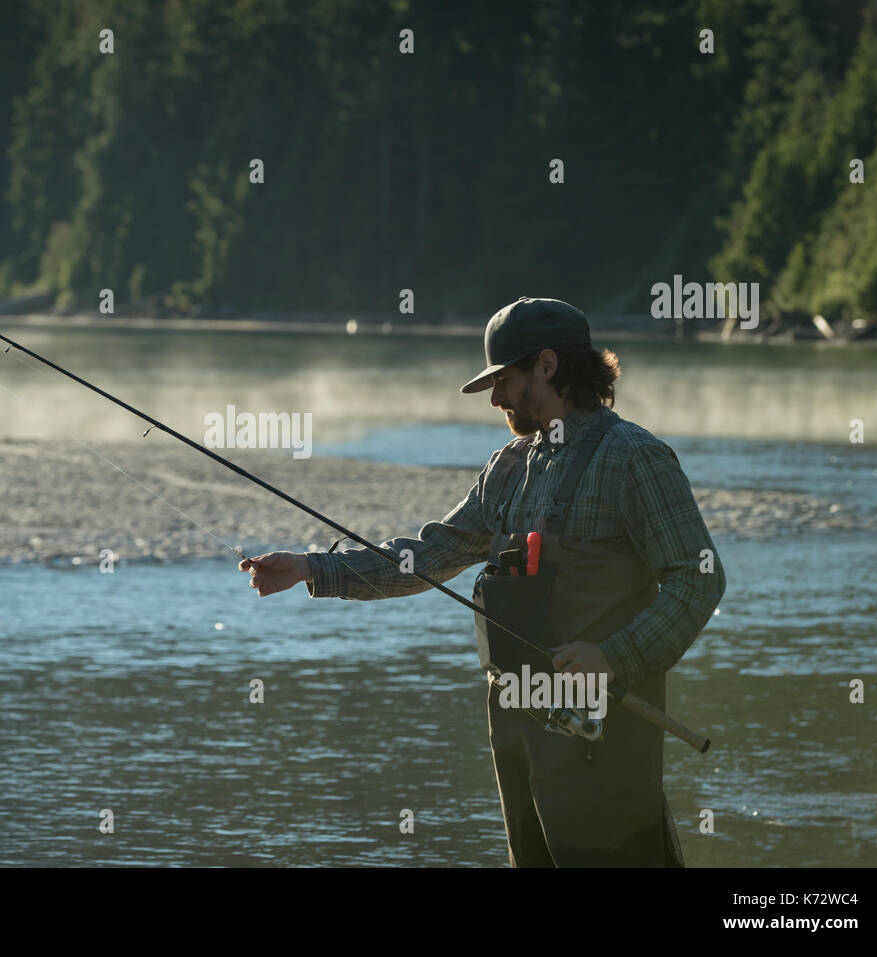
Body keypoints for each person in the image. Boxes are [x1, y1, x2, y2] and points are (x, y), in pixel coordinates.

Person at [239, 297, 726, 866]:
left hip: (604, 738)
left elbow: (698, 579)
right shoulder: (508, 468)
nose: (494, 398)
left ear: (547, 365)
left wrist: (613, 656)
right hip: (517, 734)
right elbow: (428, 555)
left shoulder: (635, 459)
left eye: (504, 380)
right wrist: (311, 568)